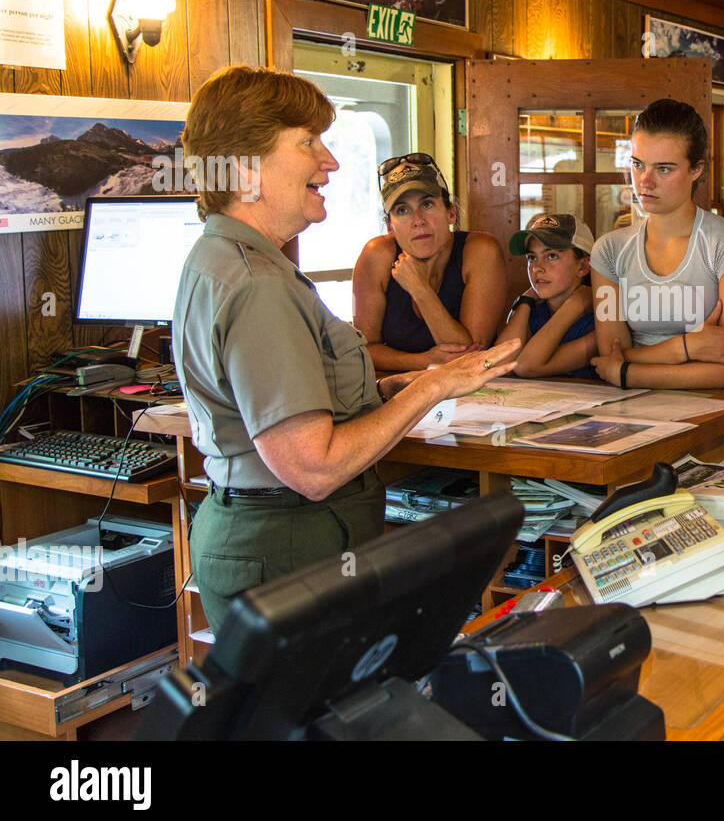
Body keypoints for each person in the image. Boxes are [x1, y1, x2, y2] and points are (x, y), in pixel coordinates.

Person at [172, 66, 520, 636]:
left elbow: (308, 404)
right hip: (289, 546)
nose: (329, 162)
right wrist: (436, 383)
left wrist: (388, 390)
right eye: (308, 142)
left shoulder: (224, 258)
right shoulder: (256, 282)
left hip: (276, 543)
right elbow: (314, 467)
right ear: (245, 169)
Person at [589, 98, 724, 390]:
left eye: (664, 169)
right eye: (637, 164)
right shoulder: (609, 250)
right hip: (630, 415)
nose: (645, 181)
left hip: (714, 414)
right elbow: (609, 356)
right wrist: (688, 348)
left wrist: (627, 372)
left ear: (696, 169)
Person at [353, 154, 508, 371]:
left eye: (427, 204)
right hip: (400, 390)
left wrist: (420, 290)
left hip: (473, 395)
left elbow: (468, 357)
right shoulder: (376, 255)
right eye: (402, 210)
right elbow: (363, 350)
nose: (418, 221)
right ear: (390, 227)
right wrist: (424, 361)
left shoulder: (480, 251)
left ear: (451, 213)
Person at [497, 213, 598, 380]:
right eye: (532, 257)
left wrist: (573, 307)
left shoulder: (598, 319)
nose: (537, 268)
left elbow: (526, 366)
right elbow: (498, 364)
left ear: (583, 266)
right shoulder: (535, 311)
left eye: (551, 256)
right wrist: (525, 301)